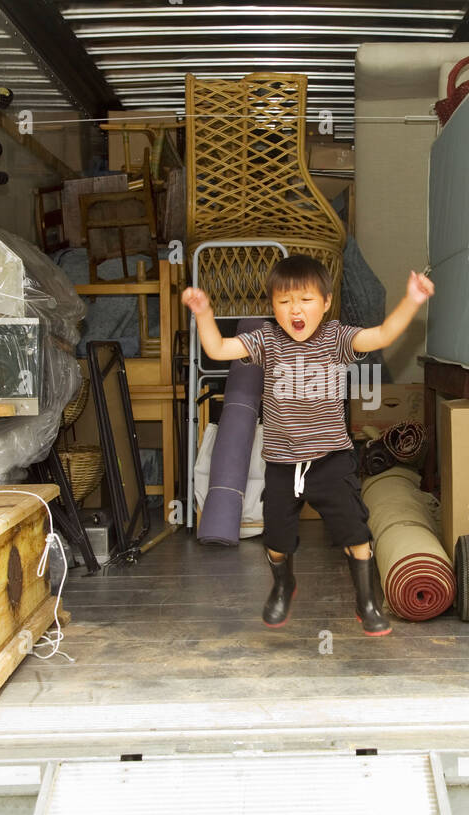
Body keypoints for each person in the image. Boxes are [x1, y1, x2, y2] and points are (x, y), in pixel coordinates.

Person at [183, 254, 434, 636]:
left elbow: (382, 335)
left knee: (356, 534)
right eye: (284, 302)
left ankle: (366, 600)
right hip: (283, 464)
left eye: (305, 300)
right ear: (273, 307)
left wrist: (413, 299)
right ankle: (284, 584)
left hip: (331, 461)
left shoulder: (338, 338)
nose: (294, 310)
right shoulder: (266, 340)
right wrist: (203, 312)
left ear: (327, 302)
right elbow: (218, 349)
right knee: (278, 542)